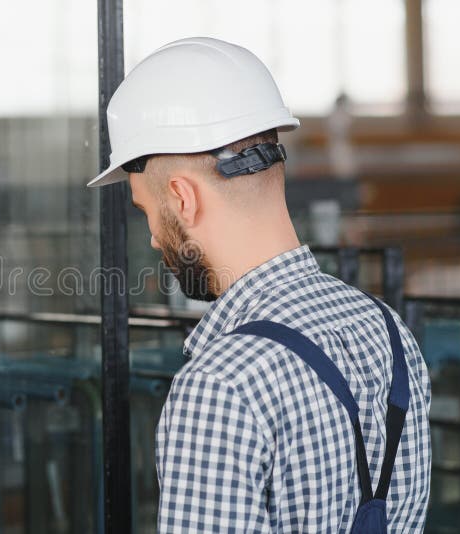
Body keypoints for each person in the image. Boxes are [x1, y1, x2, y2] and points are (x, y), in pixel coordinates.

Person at [88, 37, 431, 532]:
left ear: (183, 199)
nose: (150, 236)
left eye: (146, 209)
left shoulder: (220, 386)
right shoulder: (390, 333)